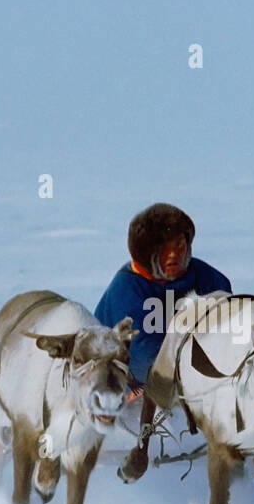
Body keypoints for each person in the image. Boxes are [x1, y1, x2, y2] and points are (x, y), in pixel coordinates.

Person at [94, 202, 231, 482]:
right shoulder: (128, 289)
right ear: (147, 254)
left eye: (179, 245)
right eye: (164, 249)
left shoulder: (208, 279)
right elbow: (146, 355)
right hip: (129, 381)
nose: (175, 255)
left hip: (195, 377)